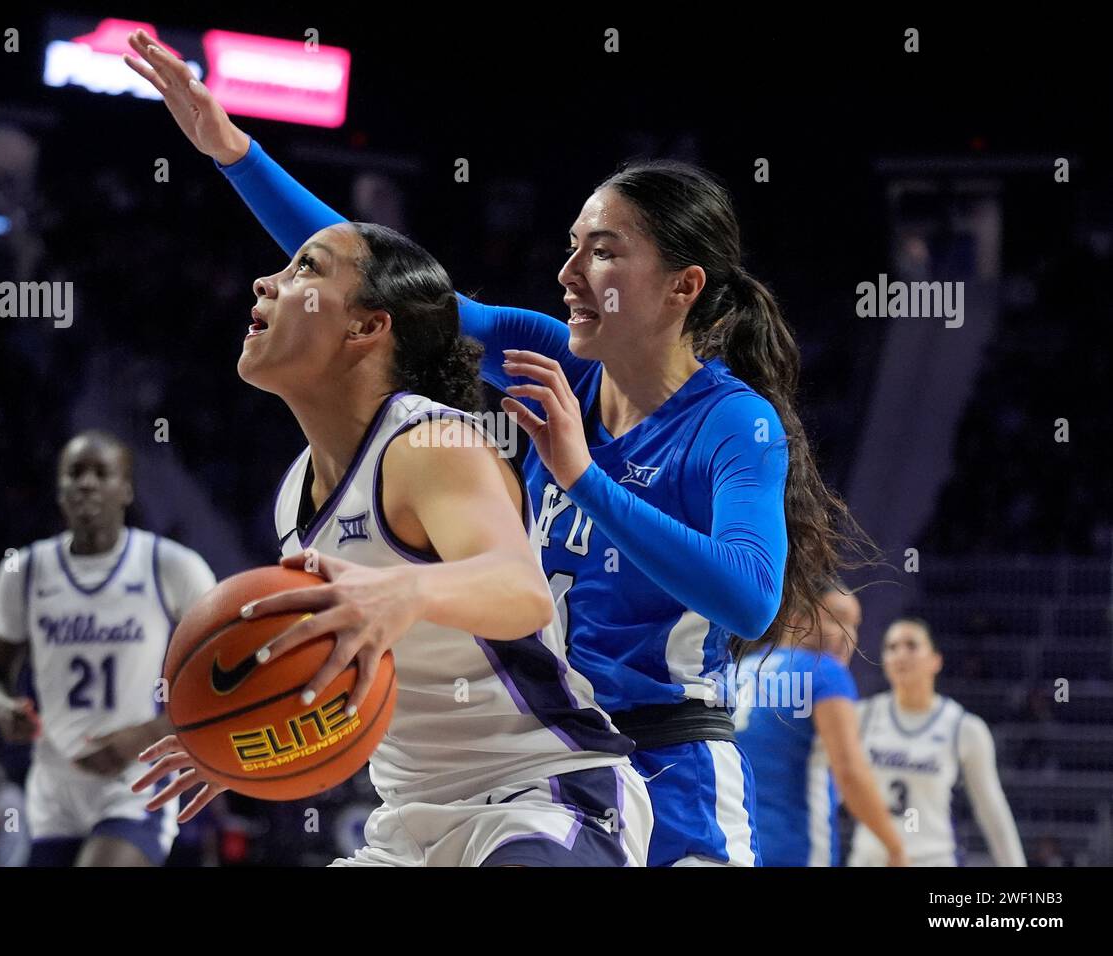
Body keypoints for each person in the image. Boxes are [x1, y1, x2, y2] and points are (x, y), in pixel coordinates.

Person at [124, 30, 866, 866]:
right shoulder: (550, 359)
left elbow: (749, 601)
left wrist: (583, 478)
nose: (569, 270)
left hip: (670, 766)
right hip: (533, 742)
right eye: (573, 245)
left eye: (604, 250)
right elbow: (391, 284)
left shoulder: (735, 424)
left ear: (681, 287)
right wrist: (237, 155)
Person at [131, 215, 653, 866]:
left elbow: (521, 592)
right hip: (406, 829)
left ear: (367, 325)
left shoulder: (432, 443)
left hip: (541, 794)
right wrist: (239, 729)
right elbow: (332, 666)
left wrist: (403, 590)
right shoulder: (295, 496)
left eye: (306, 270)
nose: (264, 282)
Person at [0, 430, 216, 866]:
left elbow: (225, 677)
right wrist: (1, 709)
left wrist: (144, 736)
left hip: (136, 778)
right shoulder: (23, 572)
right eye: (74, 473)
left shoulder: (172, 566)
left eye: (100, 473)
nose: (86, 483)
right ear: (60, 489)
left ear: (126, 489)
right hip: (53, 785)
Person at [734, 581, 906, 865]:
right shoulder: (825, 672)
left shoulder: (742, 667)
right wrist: (895, 846)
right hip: (796, 850)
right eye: (835, 619)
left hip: (735, 847)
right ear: (795, 619)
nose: (848, 635)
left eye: (854, 625)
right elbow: (850, 772)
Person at [848, 617, 1026, 866]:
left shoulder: (964, 728)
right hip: (869, 859)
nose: (900, 654)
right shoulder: (861, 716)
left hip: (933, 859)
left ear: (935, 660)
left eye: (911, 645)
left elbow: (992, 811)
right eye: (891, 647)